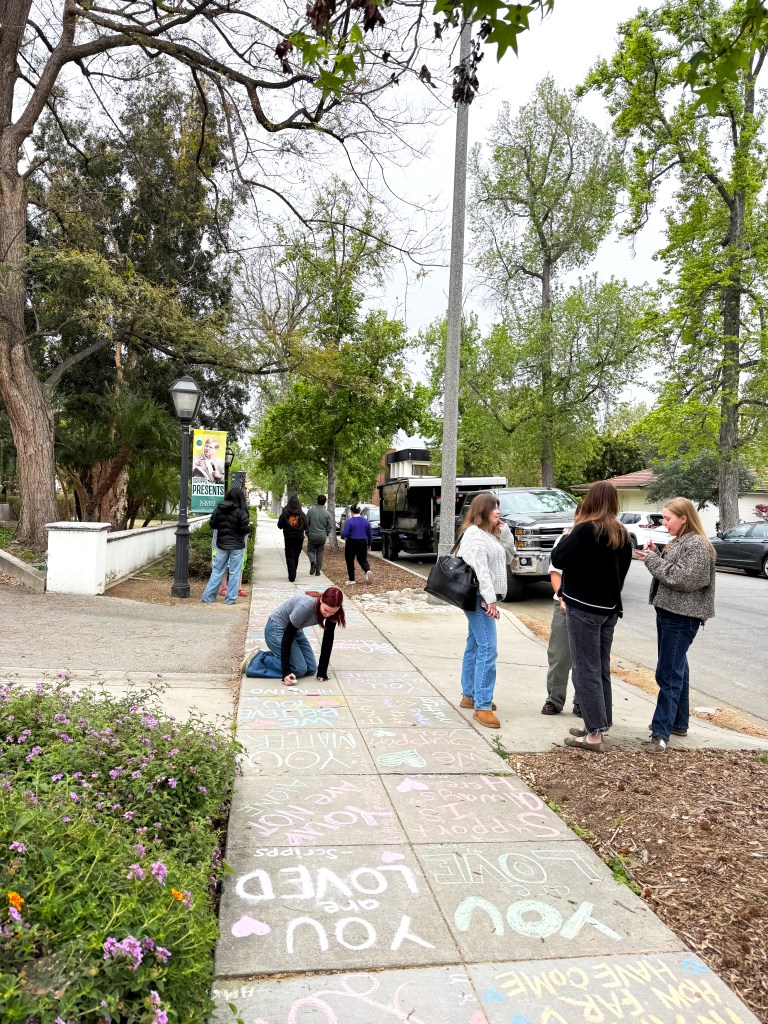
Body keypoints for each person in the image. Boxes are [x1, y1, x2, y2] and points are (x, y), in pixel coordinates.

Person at [550, 481, 633, 752]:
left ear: (591, 500)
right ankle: (598, 723)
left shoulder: (586, 529)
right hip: (608, 609)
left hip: (582, 607)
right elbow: (621, 573)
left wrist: (572, 531)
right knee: (600, 668)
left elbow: (558, 558)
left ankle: (594, 734)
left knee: (585, 670)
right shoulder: (622, 533)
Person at [634, 497, 716, 754]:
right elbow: (673, 569)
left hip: (682, 616)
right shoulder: (682, 541)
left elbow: (681, 578)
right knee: (677, 667)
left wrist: (650, 559)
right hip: (670, 612)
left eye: (668, 518)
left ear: (684, 518)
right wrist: (657, 554)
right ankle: (679, 722)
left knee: (667, 673)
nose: (664, 522)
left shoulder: (698, 545)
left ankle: (661, 733)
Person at [455, 491, 514, 729]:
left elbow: (509, 558)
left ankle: (470, 696)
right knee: (488, 649)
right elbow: (480, 570)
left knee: (476, 645)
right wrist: (490, 601)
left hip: (483, 597)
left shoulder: (490, 535)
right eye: (493, 508)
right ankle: (482, 705)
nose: (498, 511)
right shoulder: (474, 535)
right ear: (482, 511)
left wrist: (505, 532)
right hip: (479, 597)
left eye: (498, 507)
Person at [242, 587, 346, 684]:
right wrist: (286, 672)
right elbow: (287, 637)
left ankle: (277, 655)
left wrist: (322, 671)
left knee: (311, 668)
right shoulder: (305, 606)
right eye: (326, 610)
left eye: (332, 612)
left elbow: (328, 639)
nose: (328, 615)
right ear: (321, 600)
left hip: (296, 631)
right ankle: (256, 660)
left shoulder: (334, 611)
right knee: (299, 669)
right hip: (276, 630)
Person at [540, 531, 581, 718]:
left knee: (586, 658)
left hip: (589, 607)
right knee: (559, 654)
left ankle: (583, 702)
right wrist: (562, 596)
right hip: (564, 603)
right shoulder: (566, 538)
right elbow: (555, 573)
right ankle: (554, 700)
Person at [201, 487, 251, 605]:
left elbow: (213, 524)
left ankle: (208, 597)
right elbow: (245, 529)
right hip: (237, 546)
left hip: (221, 544)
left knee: (217, 570)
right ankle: (230, 599)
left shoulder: (219, 509)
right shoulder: (241, 512)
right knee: (234, 572)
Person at [277, 495, 307, 583]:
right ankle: (293, 572)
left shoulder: (285, 512)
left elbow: (279, 525)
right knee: (296, 555)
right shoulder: (301, 514)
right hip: (299, 537)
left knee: (290, 555)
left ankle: (292, 575)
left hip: (289, 537)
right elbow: (306, 525)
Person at [341, 504, 372, 584]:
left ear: (351, 512)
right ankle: (367, 571)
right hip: (363, 542)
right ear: (359, 511)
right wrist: (369, 544)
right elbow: (369, 534)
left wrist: (343, 535)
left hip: (351, 542)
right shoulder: (366, 521)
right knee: (362, 559)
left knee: (350, 560)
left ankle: (352, 579)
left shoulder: (349, 521)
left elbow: (345, 533)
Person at [306, 494, 332, 576]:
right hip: (322, 536)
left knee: (310, 551)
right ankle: (318, 572)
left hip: (312, 535)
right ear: (325, 502)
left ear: (317, 501)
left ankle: (313, 562)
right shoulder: (327, 513)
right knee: (320, 553)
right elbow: (329, 526)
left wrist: (307, 533)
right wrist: (326, 533)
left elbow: (306, 524)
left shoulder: (310, 511)